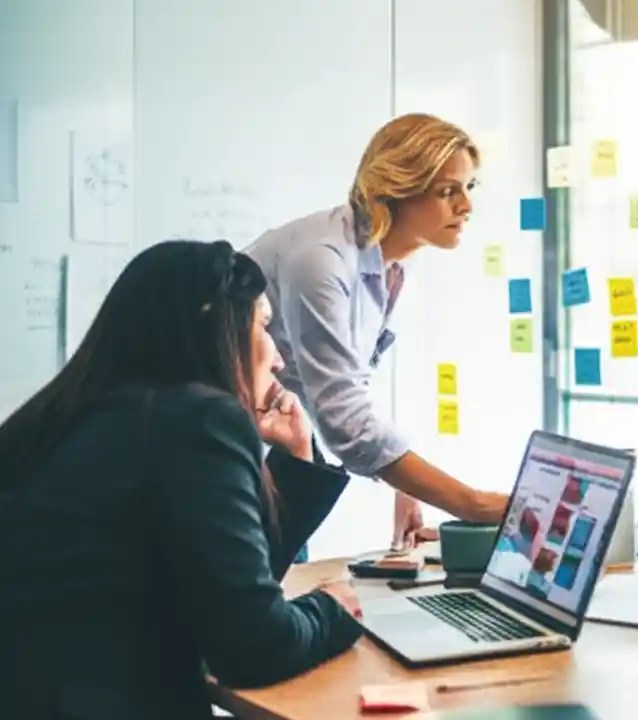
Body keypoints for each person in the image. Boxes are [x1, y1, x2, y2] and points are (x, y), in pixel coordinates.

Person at [0, 241, 363, 719]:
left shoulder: (57, 419)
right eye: (263, 326)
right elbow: (255, 648)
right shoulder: (194, 420)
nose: (277, 358)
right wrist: (331, 607)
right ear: (219, 330)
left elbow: (225, 592)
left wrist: (295, 459)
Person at [245, 113, 508, 551]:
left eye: (469, 187)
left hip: (268, 448)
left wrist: (407, 487)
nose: (466, 206)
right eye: (448, 191)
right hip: (214, 456)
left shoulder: (390, 268)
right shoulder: (321, 260)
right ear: (396, 189)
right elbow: (343, 415)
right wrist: (474, 505)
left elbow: (351, 385)